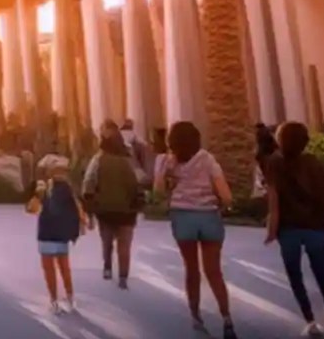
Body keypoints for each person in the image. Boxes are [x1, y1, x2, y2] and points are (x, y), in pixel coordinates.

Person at [265, 122, 324, 337]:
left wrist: (271, 230)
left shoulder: (273, 163)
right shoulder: (314, 163)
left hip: (288, 229)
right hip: (316, 227)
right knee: (322, 274)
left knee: (295, 275)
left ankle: (310, 322)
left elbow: (273, 202)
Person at [155, 121, 236, 339]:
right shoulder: (207, 160)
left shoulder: (168, 162)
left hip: (182, 218)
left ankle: (196, 316)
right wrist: (222, 205)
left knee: (191, 269)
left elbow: (158, 190)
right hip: (209, 217)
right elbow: (226, 196)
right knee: (214, 271)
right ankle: (226, 319)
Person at [82, 130, 141, 288]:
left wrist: (90, 207)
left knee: (106, 240)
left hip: (105, 209)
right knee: (124, 245)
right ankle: (123, 276)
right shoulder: (128, 161)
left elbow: (89, 183)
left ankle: (107, 267)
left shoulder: (98, 160)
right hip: (127, 211)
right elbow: (137, 183)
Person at [29, 155, 85, 314]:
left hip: (47, 232)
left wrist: (38, 196)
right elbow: (78, 210)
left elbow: (31, 209)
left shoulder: (45, 187)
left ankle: (55, 299)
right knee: (63, 267)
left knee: (51, 269)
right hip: (61, 233)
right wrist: (80, 225)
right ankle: (69, 297)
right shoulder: (68, 188)